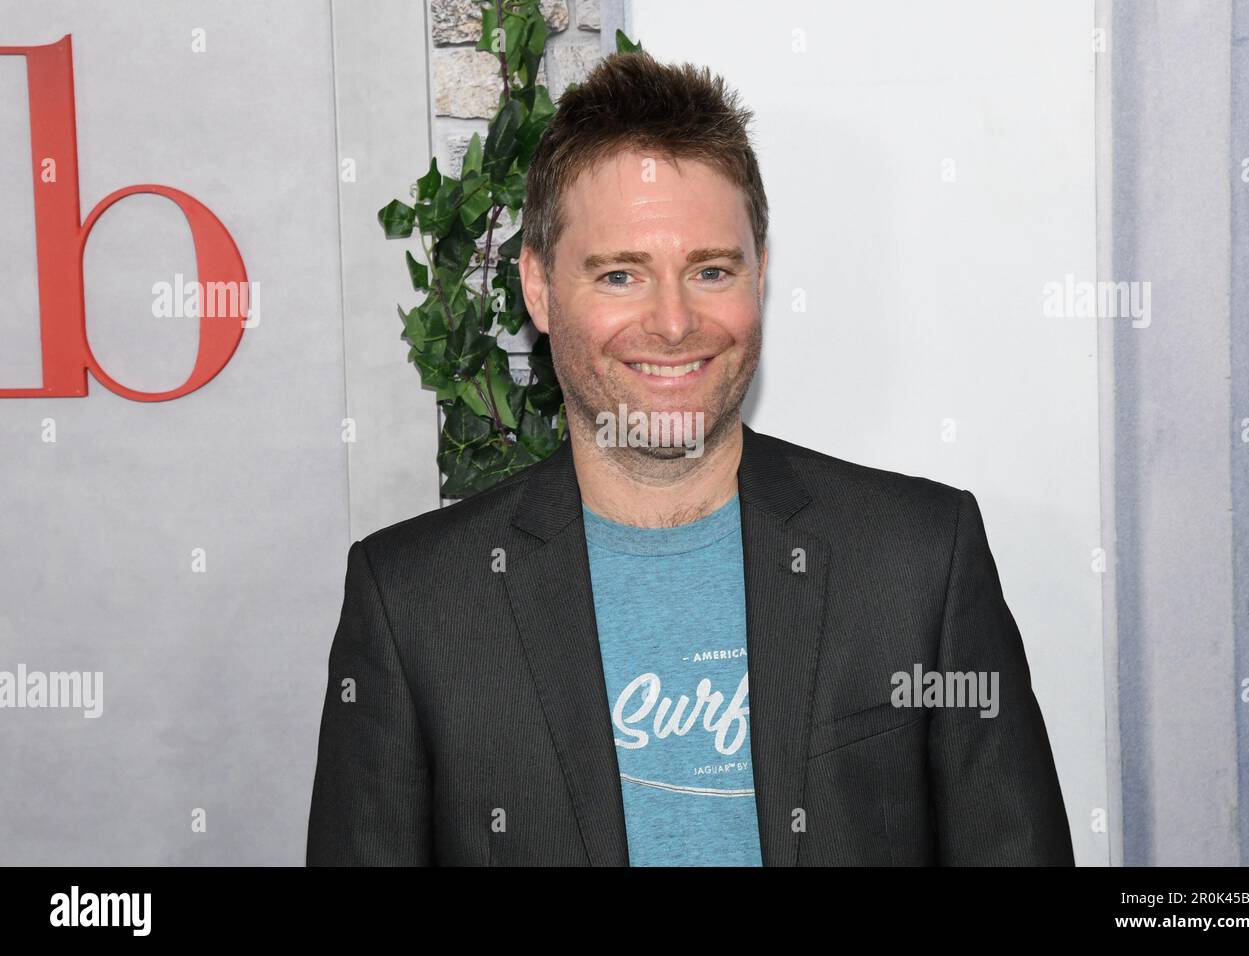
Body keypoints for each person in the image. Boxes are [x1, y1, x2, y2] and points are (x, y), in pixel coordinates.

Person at [305, 51, 1073, 866]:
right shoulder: (414, 606)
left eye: (710, 270)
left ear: (761, 275)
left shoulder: (919, 558)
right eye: (621, 275)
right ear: (537, 287)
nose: (674, 323)